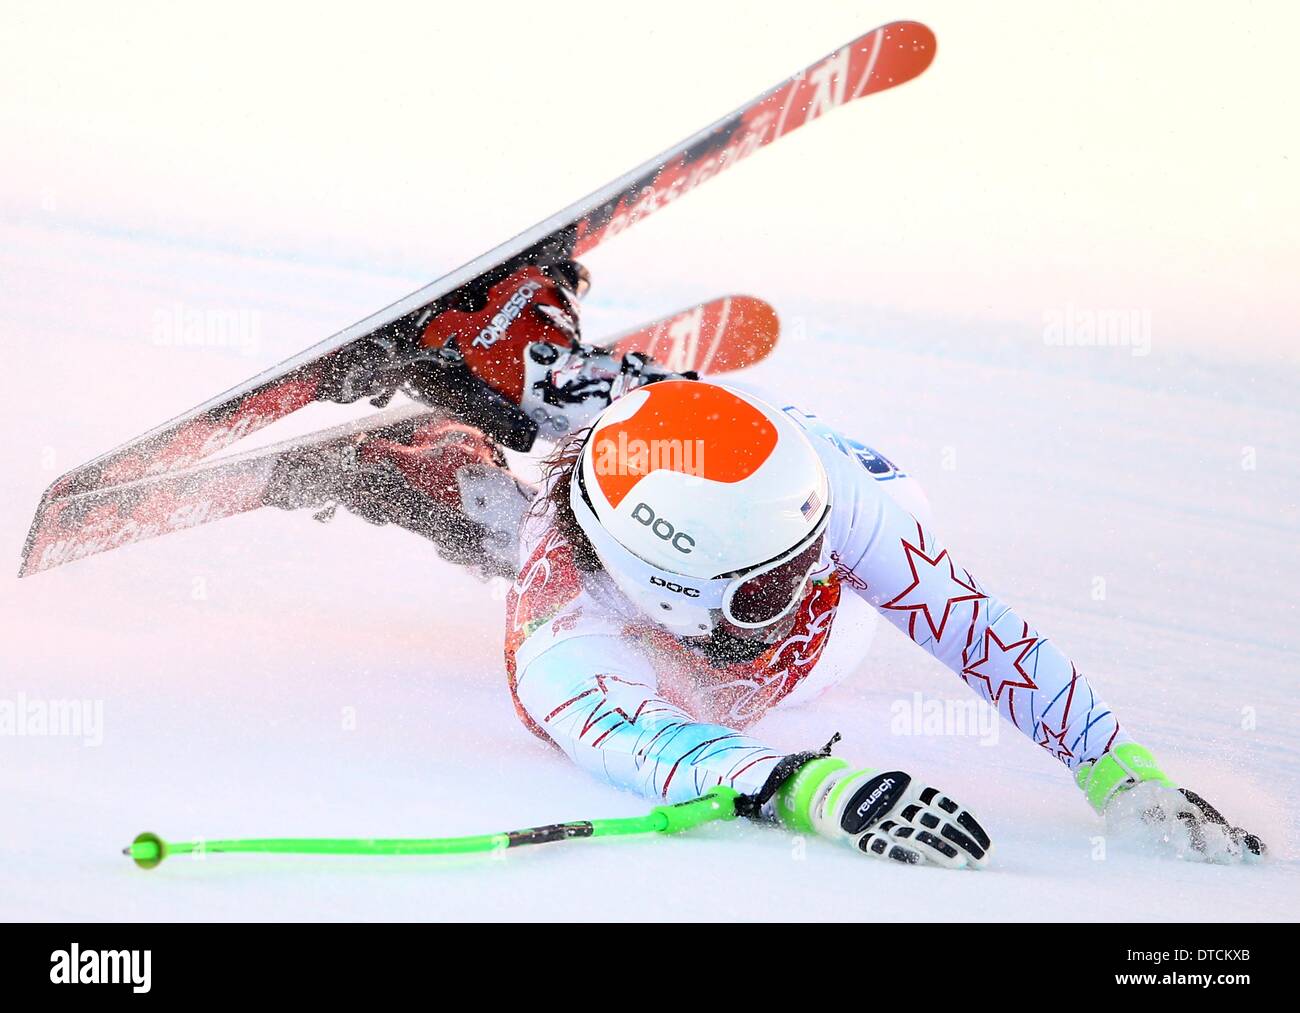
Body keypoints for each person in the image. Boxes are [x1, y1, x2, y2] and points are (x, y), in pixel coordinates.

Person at [346, 261, 1266, 868]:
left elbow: (968, 621)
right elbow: (663, 748)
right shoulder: (563, 665)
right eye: (770, 587)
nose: (813, 584)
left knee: (891, 508)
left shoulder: (813, 489)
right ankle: (473, 483)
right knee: (689, 671)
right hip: (673, 624)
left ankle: (546, 386)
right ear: (678, 592)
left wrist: (1117, 767)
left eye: (811, 557)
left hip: (775, 475)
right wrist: (811, 789)